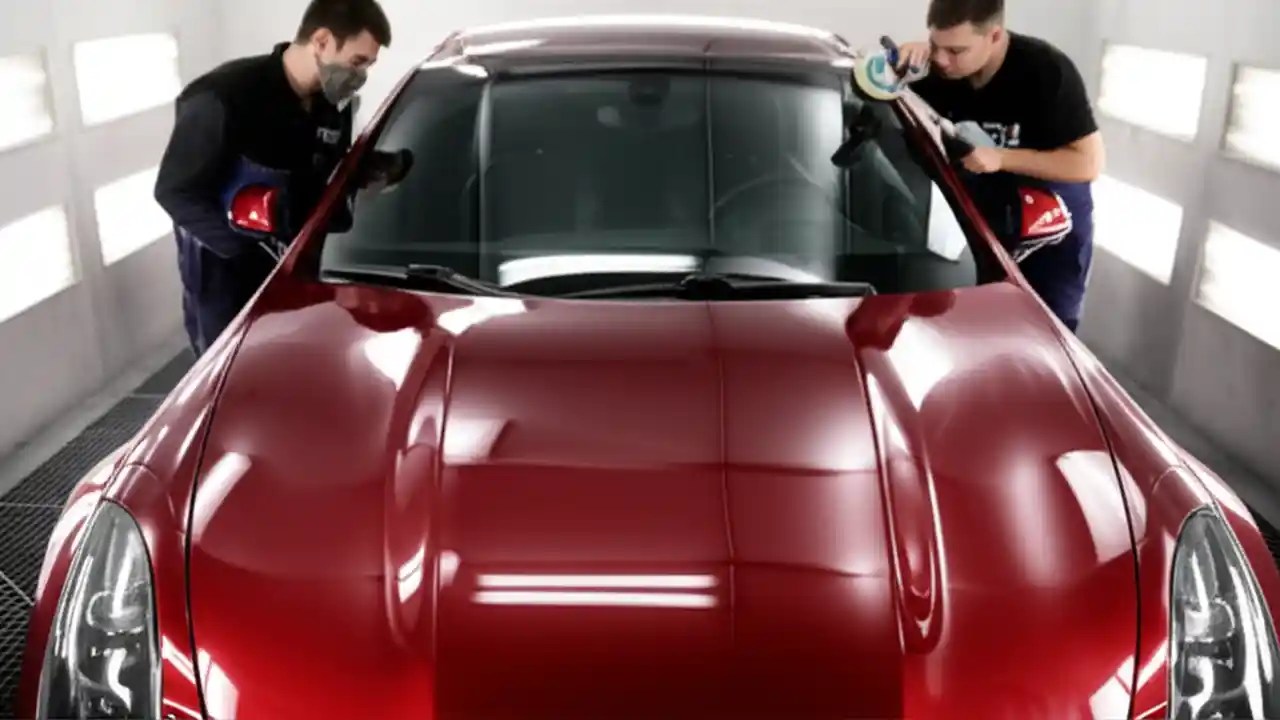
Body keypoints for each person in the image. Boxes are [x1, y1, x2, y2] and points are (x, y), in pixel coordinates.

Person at [154, 0, 391, 356]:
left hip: (297, 268)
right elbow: (175, 192)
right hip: (226, 280)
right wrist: (242, 254)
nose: (360, 76)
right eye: (357, 62)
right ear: (322, 40)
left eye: (368, 66)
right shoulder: (224, 97)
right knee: (233, 380)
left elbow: (320, 176)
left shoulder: (330, 106)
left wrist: (365, 170)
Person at [893, 0, 1105, 332]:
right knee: (971, 334)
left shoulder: (1046, 71)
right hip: (979, 224)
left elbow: (1088, 163)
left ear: (994, 36)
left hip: (1052, 229)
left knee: (1047, 338)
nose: (942, 60)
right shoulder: (936, 74)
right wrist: (893, 73)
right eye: (935, 45)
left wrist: (1002, 158)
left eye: (956, 50)